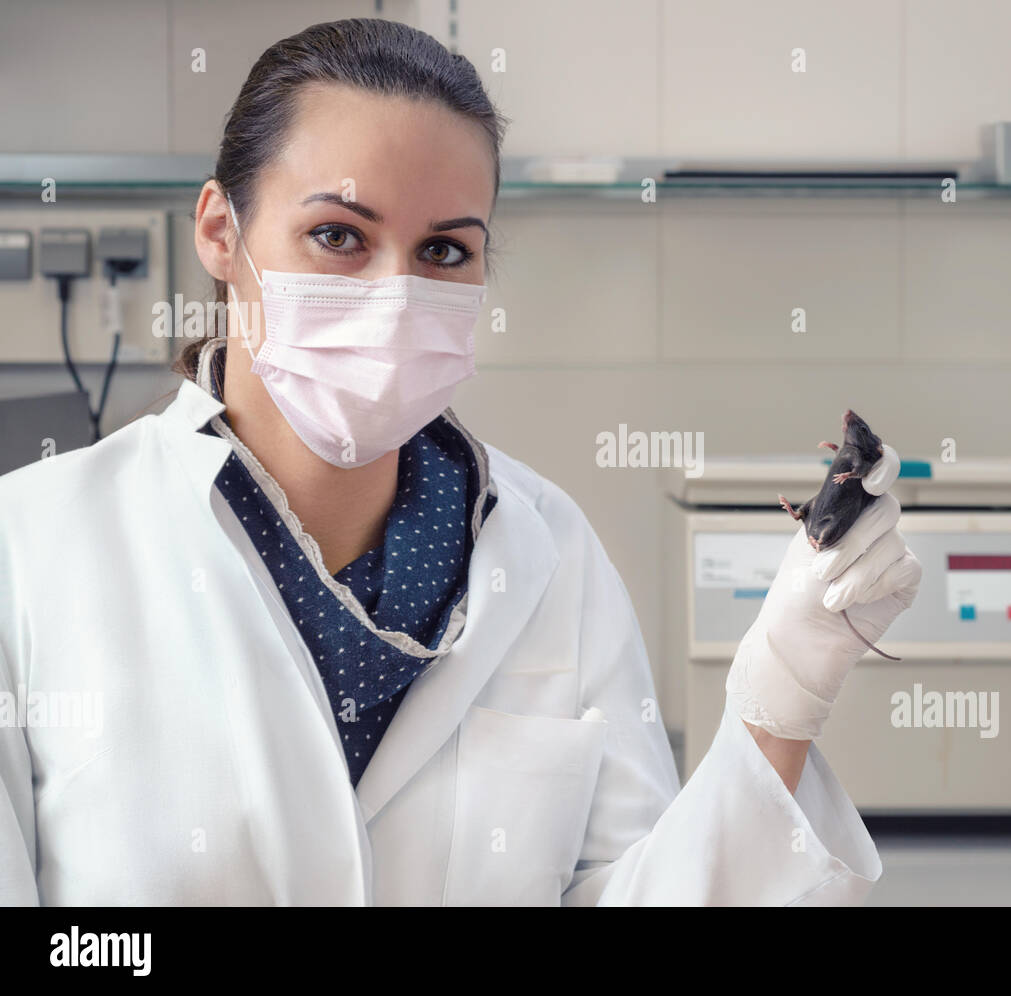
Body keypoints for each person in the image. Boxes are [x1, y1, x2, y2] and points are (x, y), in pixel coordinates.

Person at [0, 18, 920, 906]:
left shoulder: (551, 552)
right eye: (339, 235)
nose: (395, 296)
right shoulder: (31, 548)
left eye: (444, 250)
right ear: (219, 231)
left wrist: (781, 698)